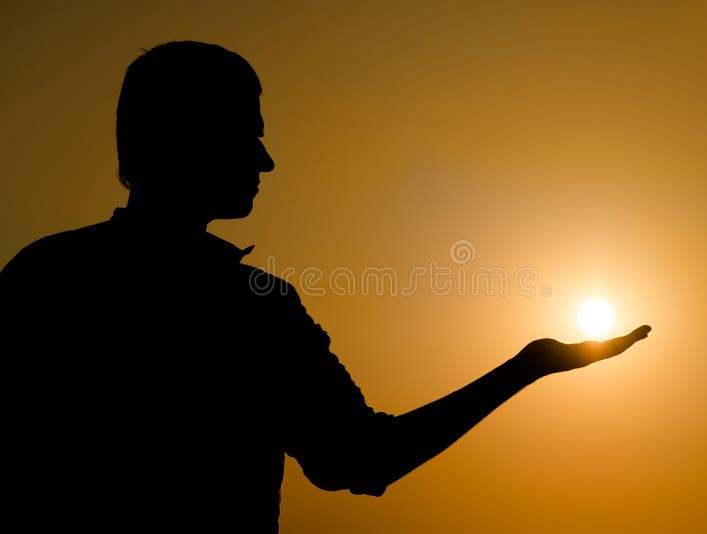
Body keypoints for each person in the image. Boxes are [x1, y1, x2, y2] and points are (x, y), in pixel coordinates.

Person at [0, 41, 651, 533]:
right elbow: (361, 460)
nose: (266, 160)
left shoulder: (42, 273)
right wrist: (528, 368)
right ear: (188, 138)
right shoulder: (252, 308)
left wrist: (530, 364)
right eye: (248, 134)